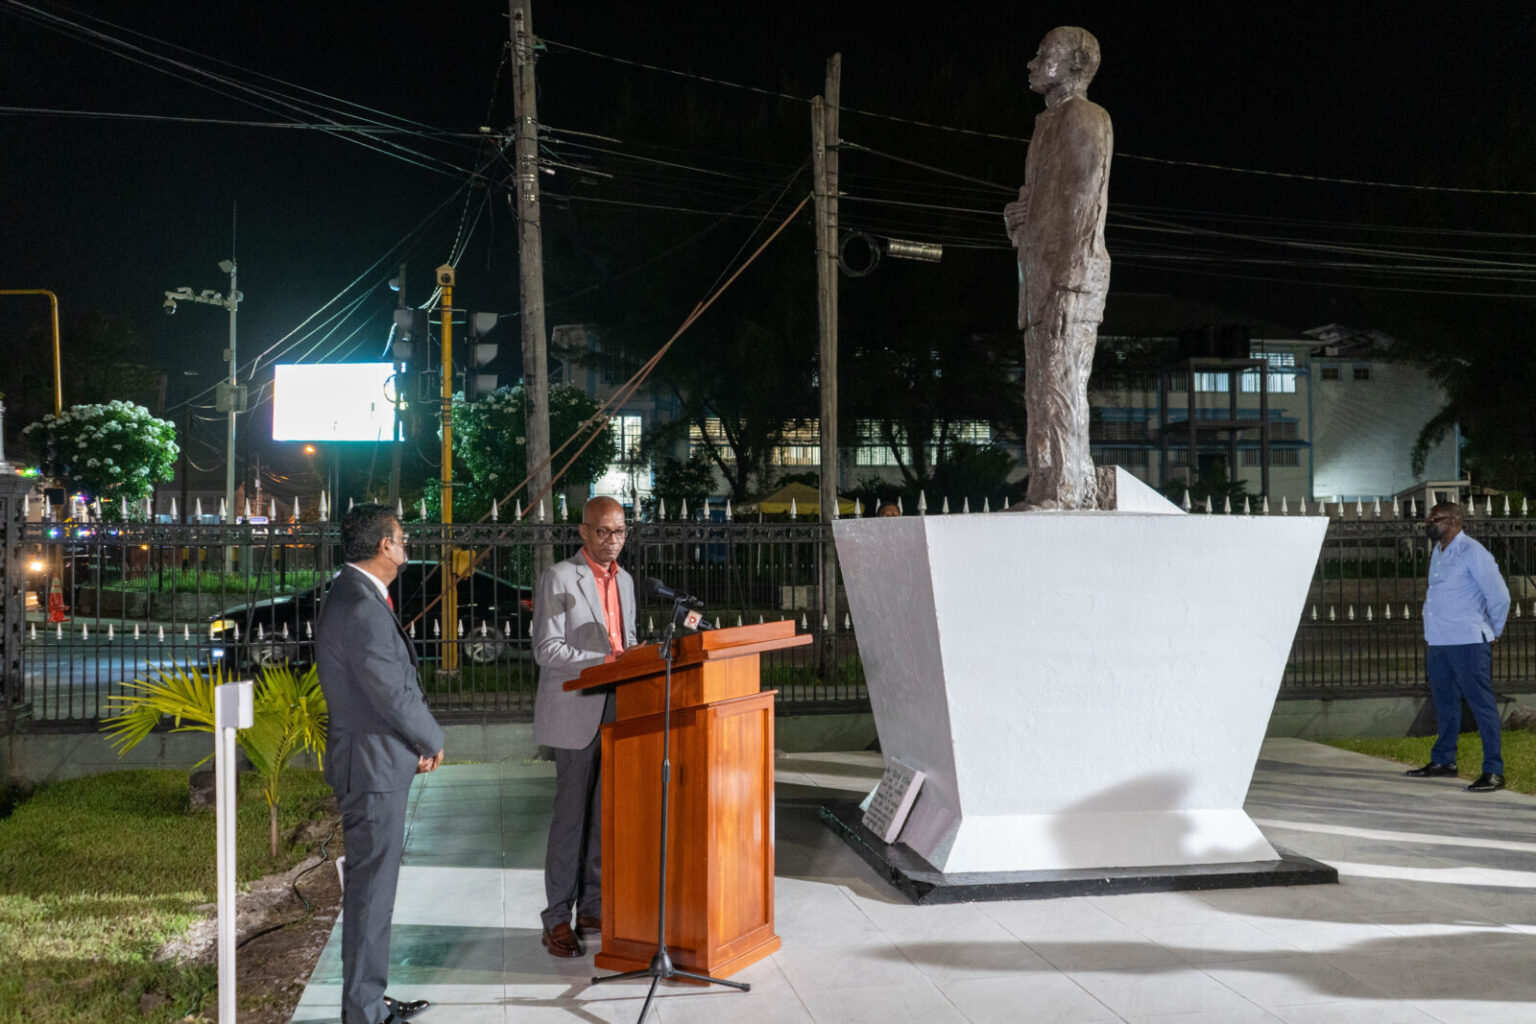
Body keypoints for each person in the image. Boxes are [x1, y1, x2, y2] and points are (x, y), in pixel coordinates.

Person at [317, 504, 444, 1024]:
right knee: (371, 897)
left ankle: (368, 998)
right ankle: (365, 1012)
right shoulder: (361, 605)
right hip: (370, 770)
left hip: (374, 762)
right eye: (402, 537)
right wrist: (431, 737)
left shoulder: (355, 594)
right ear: (384, 546)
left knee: (374, 893)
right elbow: (391, 691)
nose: (407, 544)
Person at [1003, 26, 1112, 510]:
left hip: (1070, 279)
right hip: (1039, 279)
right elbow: (1041, 210)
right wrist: (1017, 222)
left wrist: (1069, 284)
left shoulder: (1085, 119)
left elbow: (1085, 208)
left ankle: (1069, 487)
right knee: (1039, 391)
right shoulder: (1046, 125)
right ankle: (1045, 483)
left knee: (1063, 383)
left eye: (1043, 54)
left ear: (1073, 64)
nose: (1031, 62)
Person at [532, 495, 637, 957]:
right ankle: (556, 917)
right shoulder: (559, 577)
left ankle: (592, 906)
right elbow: (548, 650)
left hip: (617, 708)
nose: (612, 541)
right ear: (583, 532)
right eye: (603, 532)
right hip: (576, 710)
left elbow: (627, 642)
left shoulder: (627, 581)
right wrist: (608, 661)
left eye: (619, 532)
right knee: (570, 818)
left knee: (604, 816)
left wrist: (633, 661)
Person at [1406, 502, 1511, 792]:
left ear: (1452, 521)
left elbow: (1500, 596)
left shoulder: (1473, 552)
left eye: (1434, 518)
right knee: (1445, 702)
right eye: (1429, 518)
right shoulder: (1439, 553)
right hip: (1439, 640)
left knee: (1481, 704)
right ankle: (1444, 761)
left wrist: (1494, 630)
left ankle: (1493, 771)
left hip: (1467, 640)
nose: (1428, 522)